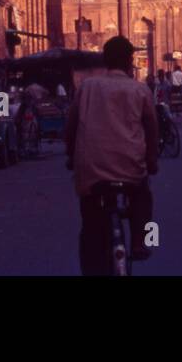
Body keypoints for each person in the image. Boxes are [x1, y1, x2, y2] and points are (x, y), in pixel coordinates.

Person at [64, 36, 159, 275]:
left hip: (91, 171)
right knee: (144, 199)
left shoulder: (87, 87)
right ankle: (145, 241)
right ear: (129, 61)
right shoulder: (140, 89)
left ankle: (91, 265)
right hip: (131, 167)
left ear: (105, 61)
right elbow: (151, 128)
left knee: (90, 221)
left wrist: (70, 155)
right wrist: (152, 160)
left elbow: (71, 126)